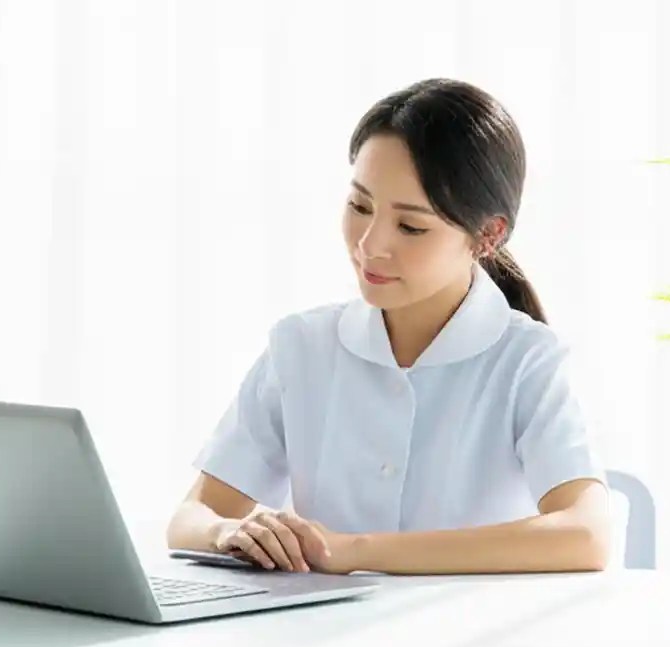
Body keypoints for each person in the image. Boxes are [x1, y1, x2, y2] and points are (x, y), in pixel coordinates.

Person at [167, 78, 610, 575]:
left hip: (474, 642)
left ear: (488, 235)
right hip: (317, 639)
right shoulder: (300, 347)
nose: (370, 245)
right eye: (359, 206)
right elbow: (190, 518)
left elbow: (587, 534)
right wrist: (226, 531)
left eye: (411, 227)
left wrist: (354, 551)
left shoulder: (528, 360)